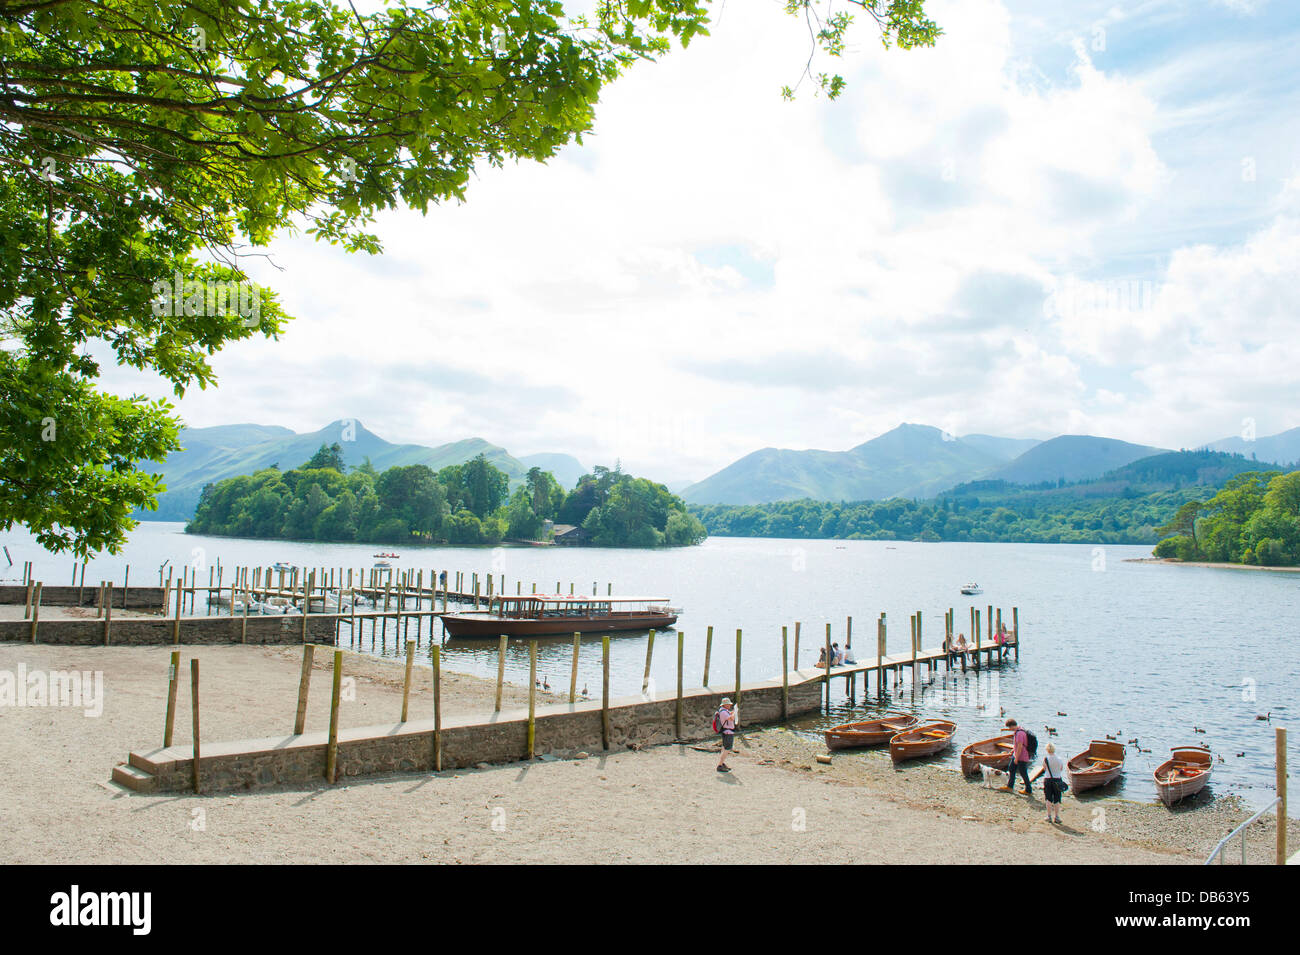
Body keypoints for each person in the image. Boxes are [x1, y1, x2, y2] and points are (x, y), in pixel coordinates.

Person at [1037, 742, 1067, 823]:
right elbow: (1061, 769)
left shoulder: (1046, 759)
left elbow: (1044, 768)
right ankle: (1057, 816)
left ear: (1047, 750)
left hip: (1048, 779)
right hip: (1057, 780)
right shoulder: (1059, 759)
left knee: (1048, 798)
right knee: (1057, 799)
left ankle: (1049, 816)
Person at [1002, 718, 1032, 795]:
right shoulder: (1019, 730)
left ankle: (1028, 790)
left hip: (1021, 756)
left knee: (1023, 772)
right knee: (1011, 769)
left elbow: (1020, 746)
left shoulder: (1019, 733)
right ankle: (1010, 786)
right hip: (1017, 755)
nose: (1009, 729)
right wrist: (1012, 751)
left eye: (1009, 727)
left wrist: (1016, 758)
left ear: (1012, 726)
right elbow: (1016, 746)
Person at [715, 698, 738, 773]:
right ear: (725, 705)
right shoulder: (723, 712)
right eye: (728, 704)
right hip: (728, 732)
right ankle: (720, 765)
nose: (729, 706)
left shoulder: (723, 711)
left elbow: (729, 716)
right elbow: (731, 718)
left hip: (726, 731)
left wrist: (732, 712)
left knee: (725, 748)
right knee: (727, 748)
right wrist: (735, 713)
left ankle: (721, 763)